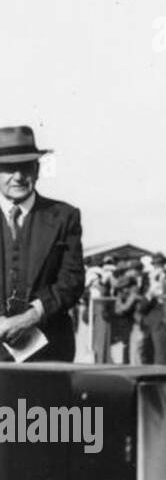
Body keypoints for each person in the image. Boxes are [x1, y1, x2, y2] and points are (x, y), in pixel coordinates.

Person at [0, 126, 86, 363]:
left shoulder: (64, 216)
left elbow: (72, 280)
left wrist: (31, 316)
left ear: (37, 170)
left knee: (40, 403)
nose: (18, 176)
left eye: (26, 166)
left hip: (48, 348)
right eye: (8, 168)